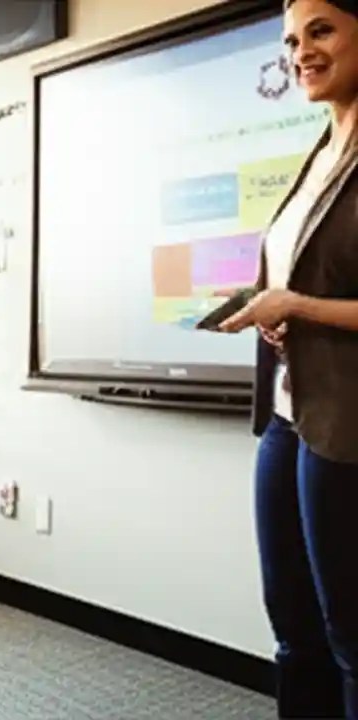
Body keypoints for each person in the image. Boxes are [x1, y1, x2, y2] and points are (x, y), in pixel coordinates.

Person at [219, 1, 358, 716]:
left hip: (346, 427)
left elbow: (312, 296)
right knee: (294, 632)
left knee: (352, 638)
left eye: (322, 30)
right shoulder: (321, 149)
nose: (301, 51)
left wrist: (296, 307)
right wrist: (268, 304)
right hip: (286, 415)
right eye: (291, 39)